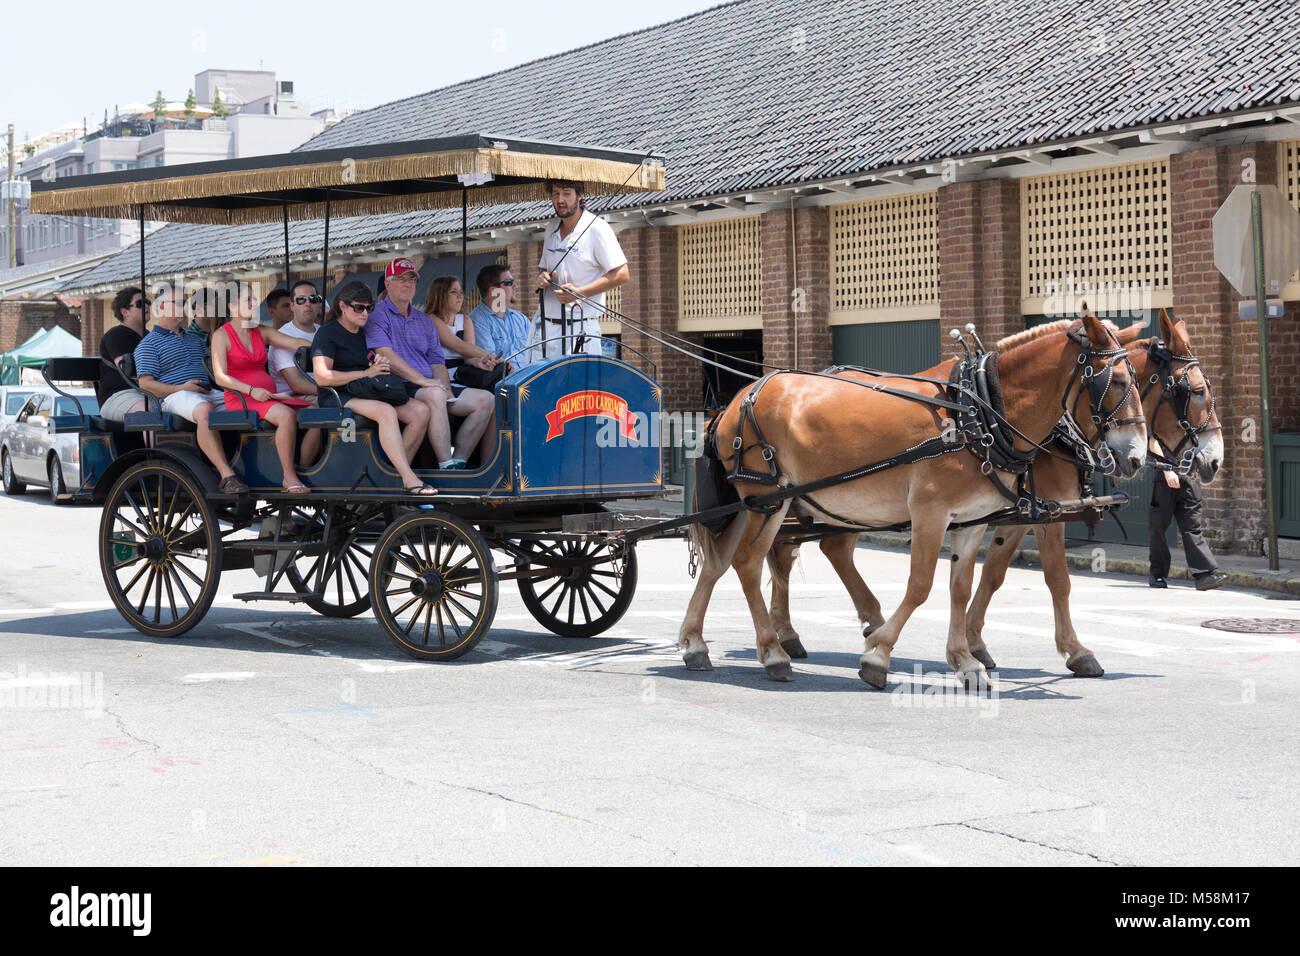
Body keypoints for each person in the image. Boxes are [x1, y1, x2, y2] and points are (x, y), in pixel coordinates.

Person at [366, 258, 494, 469]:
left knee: (486, 400)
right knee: (435, 394)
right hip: (396, 385)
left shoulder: (423, 319)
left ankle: (459, 462)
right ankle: (445, 464)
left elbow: (437, 362)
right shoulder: (377, 315)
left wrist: (446, 390)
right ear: (387, 284)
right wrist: (423, 381)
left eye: (411, 280)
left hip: (427, 384)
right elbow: (385, 354)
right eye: (400, 279)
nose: (407, 284)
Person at [310, 280, 435, 495]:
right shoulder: (327, 333)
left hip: (367, 390)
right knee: (386, 412)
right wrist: (366, 373)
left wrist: (378, 366)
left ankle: (388, 473)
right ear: (342, 306)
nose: (365, 313)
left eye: (370, 308)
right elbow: (322, 377)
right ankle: (407, 476)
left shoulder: (364, 331)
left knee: (421, 412)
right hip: (338, 395)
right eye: (359, 307)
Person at [133, 286, 248, 494]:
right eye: (178, 303)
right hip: (174, 397)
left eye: (184, 303)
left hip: (204, 392)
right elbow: (146, 384)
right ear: (161, 307)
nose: (184, 308)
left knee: (248, 406)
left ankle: (252, 468)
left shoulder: (194, 339)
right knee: (204, 410)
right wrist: (181, 387)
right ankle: (227, 476)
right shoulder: (148, 345)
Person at [210, 286, 314, 494]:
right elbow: (221, 377)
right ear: (232, 306)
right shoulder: (221, 335)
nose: (253, 304)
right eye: (247, 300)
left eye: (253, 299)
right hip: (242, 398)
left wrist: (322, 344)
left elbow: (294, 342)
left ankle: (306, 465)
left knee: (316, 411)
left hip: (268, 397)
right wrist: (251, 390)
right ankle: (288, 475)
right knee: (286, 416)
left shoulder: (261, 331)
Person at [525, 179, 629, 362]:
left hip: (579, 329)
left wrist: (580, 293)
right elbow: (543, 267)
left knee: (578, 390)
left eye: (566, 193)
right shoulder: (551, 227)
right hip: (544, 327)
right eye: (556, 194)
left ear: (580, 195)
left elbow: (622, 274)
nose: (560, 200)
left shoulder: (597, 228)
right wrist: (541, 277)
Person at [267, 278, 323, 468]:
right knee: (324, 410)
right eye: (301, 300)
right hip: (292, 397)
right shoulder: (284, 336)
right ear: (292, 306)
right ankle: (306, 469)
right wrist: (333, 390)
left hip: (320, 390)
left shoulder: (324, 332)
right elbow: (297, 384)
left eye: (313, 299)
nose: (308, 303)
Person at [1149, 469, 1227, 590]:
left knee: (1192, 528)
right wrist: (1167, 470)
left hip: (1190, 478)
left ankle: (1203, 576)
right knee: (1157, 527)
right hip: (1166, 478)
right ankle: (1157, 573)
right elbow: (1155, 448)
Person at [96, 286, 150, 423]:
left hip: (148, 393)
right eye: (140, 304)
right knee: (149, 411)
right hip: (119, 396)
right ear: (125, 312)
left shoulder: (150, 337)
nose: (147, 306)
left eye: (148, 302)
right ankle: (155, 445)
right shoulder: (116, 335)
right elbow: (127, 369)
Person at [469, 263, 530, 368]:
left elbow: (537, 352)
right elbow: (492, 363)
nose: (515, 286)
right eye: (509, 282)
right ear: (494, 291)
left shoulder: (521, 318)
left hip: (532, 377)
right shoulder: (476, 321)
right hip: (506, 381)